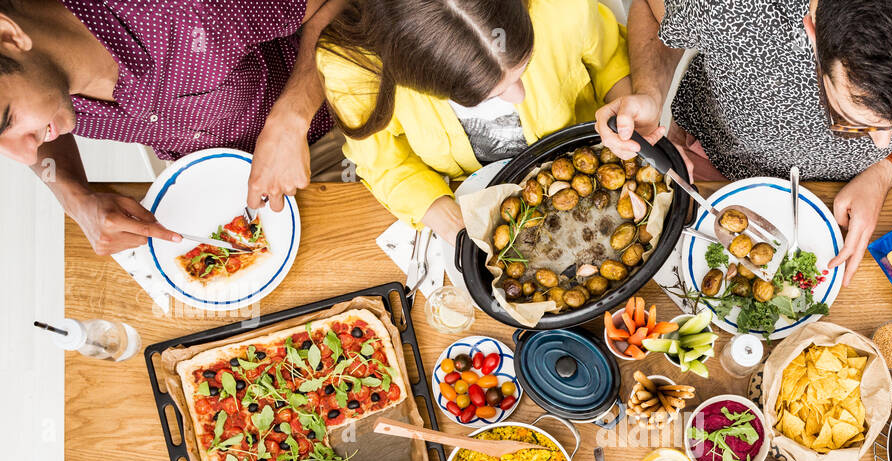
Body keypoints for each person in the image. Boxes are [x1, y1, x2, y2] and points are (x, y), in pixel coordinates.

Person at [595, 0, 892, 281]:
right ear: (812, 28)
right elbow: (651, 10)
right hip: (713, 159)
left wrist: (888, 166)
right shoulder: (730, 7)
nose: (883, 141)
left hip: (869, 189)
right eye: (850, 117)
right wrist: (650, 93)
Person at [0, 0, 344, 256]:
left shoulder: (182, 9)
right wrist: (74, 196)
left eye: (9, 119)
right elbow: (44, 134)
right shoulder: (44, 84)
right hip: (222, 188)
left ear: (8, 35)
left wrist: (292, 116)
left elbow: (345, 4)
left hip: (332, 130)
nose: (25, 153)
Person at [316, 0, 632, 243]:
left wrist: (626, 112)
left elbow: (610, 62)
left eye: (525, 65)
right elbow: (383, 163)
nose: (518, 96)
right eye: (491, 95)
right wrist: (447, 219)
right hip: (464, 189)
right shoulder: (353, 69)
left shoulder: (560, 7)